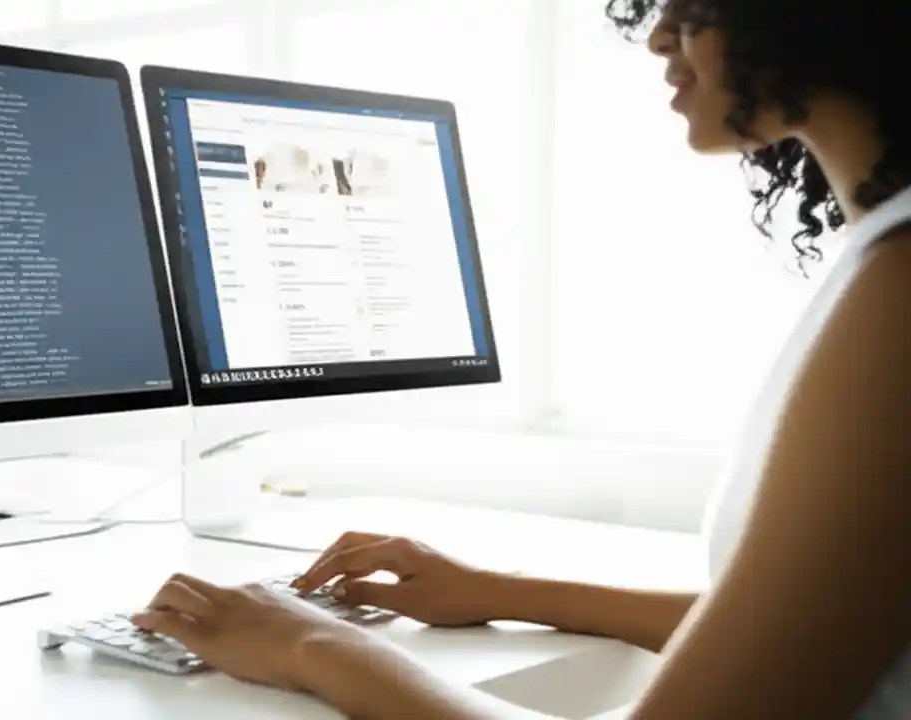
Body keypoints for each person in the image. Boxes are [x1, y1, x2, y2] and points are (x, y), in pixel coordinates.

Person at [132, 1, 911, 716]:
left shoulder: (899, 288)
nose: (659, 34)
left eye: (692, 2)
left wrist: (312, 644)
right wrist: (496, 591)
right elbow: (801, 626)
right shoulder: (879, 258)